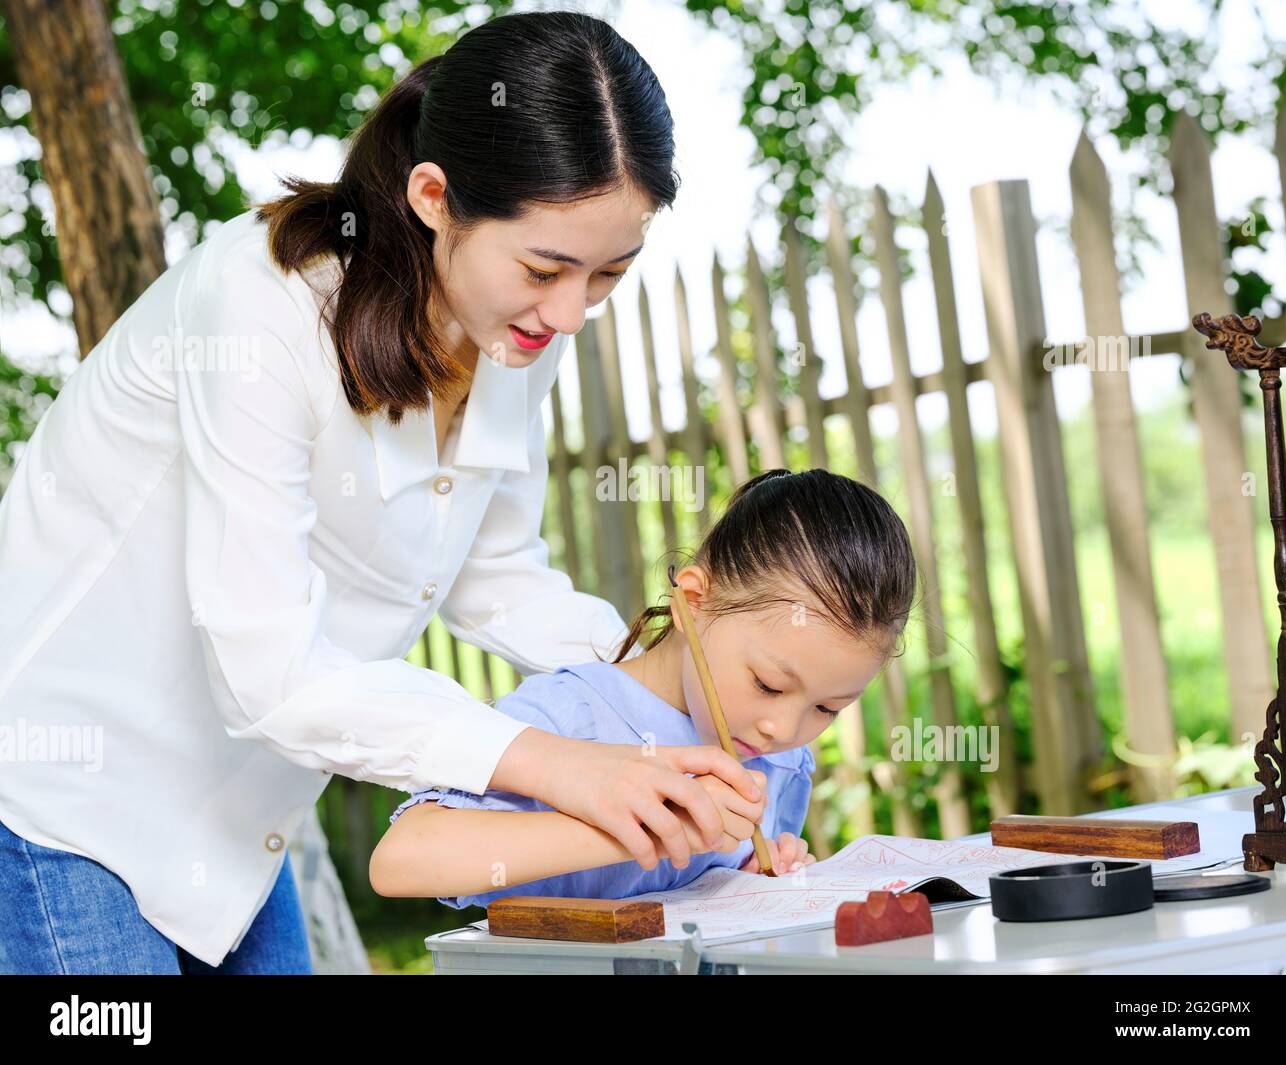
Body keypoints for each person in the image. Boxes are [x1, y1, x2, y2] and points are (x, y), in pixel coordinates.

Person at [0, 10, 763, 975]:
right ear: (434, 196)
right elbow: (268, 670)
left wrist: (686, 683)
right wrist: (556, 760)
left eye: (609, 273)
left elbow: (497, 576)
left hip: (235, 824)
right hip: (67, 804)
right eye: (545, 267)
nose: (571, 313)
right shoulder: (261, 305)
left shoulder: (512, 333)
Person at [369, 469, 918, 908]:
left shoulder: (779, 759)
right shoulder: (573, 716)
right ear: (694, 602)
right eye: (768, 685)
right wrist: (649, 830)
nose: (784, 729)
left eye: (828, 707)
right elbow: (401, 860)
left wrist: (753, 883)